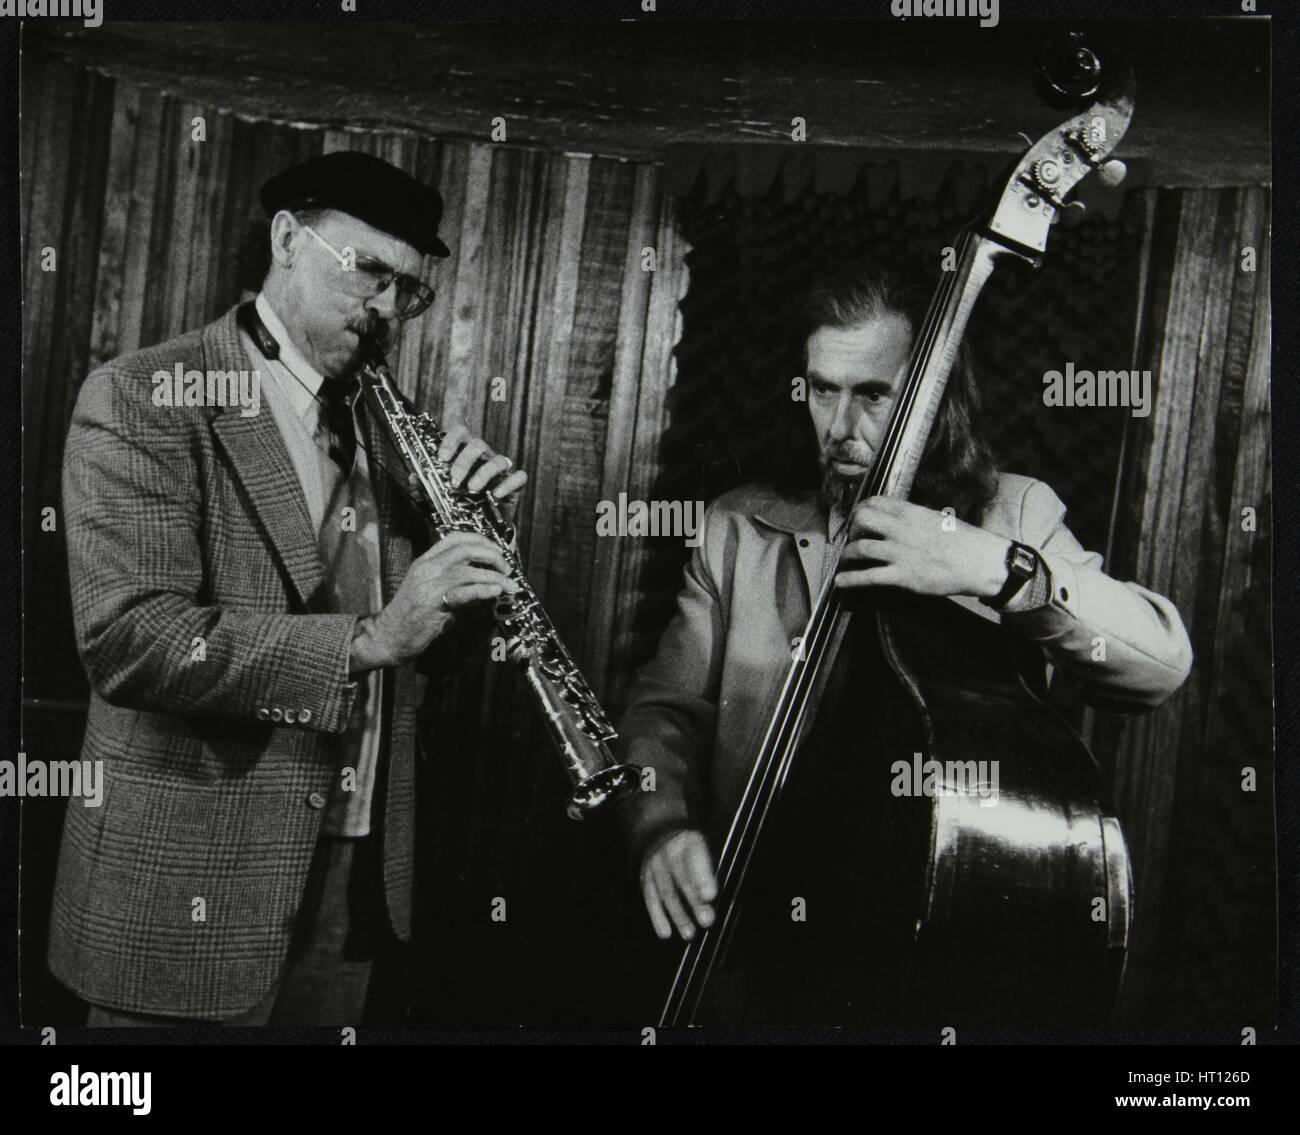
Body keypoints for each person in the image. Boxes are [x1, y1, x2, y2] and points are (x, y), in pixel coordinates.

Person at [619, 259, 1194, 1024]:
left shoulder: (1011, 514)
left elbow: (1159, 663)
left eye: (872, 395)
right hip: (756, 946)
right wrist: (659, 826)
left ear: (933, 396)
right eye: (823, 390)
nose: (839, 427)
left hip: (927, 955)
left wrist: (995, 568)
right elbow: (663, 713)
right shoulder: (738, 526)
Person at [51, 151, 525, 1025]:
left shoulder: (392, 427)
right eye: (369, 271)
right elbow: (131, 640)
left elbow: (434, 654)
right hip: (183, 889)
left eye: (407, 290)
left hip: (350, 882)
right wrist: (373, 636)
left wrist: (479, 552)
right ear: (286, 241)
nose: (386, 307)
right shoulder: (145, 396)